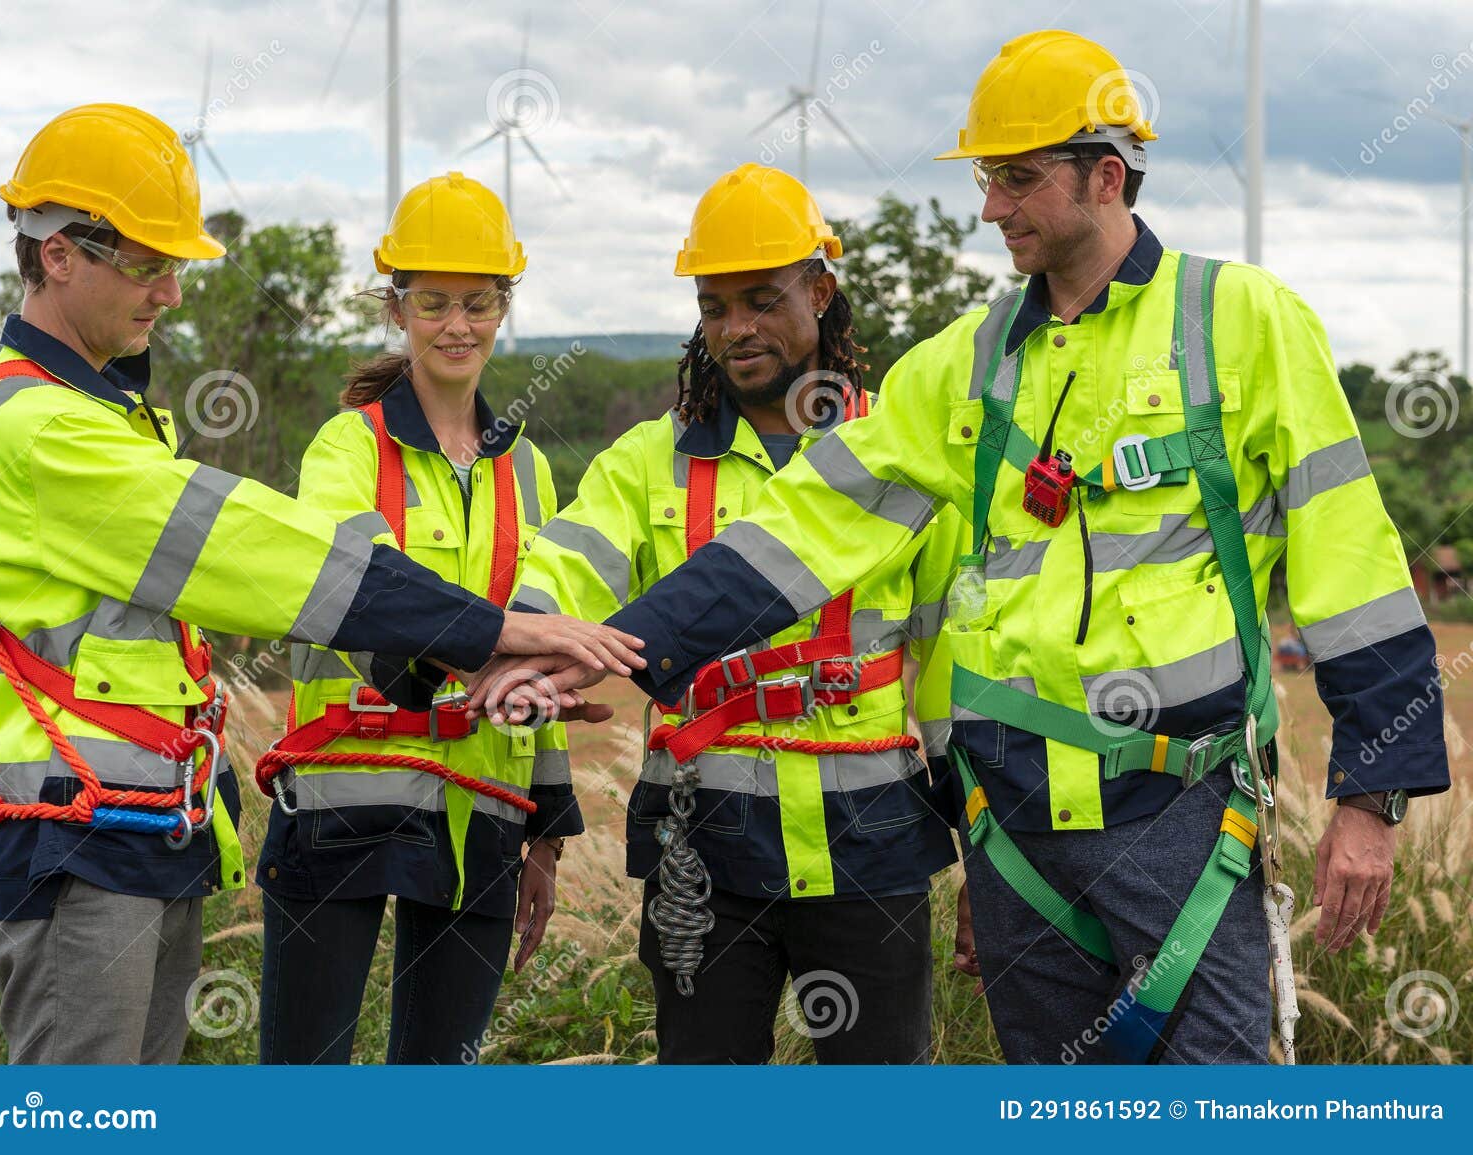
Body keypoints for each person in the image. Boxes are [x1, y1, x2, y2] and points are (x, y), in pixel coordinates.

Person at [477, 30, 1451, 1064]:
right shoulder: (963, 366)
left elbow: (1352, 562)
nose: (991, 208)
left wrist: (1369, 795)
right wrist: (603, 645)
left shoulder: (1240, 323)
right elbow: (799, 532)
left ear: (1104, 176)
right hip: (1014, 831)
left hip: (1184, 821)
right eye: (988, 180)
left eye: (1017, 180)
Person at [0, 106, 638, 1064]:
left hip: (148, 827)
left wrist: (544, 798)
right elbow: (263, 551)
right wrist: (493, 636)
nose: (174, 293)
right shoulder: (42, 427)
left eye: (479, 300)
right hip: (91, 834)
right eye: (152, 265)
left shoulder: (104, 413)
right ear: (61, 253)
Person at [512, 164, 963, 1064]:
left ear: (822, 290)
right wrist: (518, 640)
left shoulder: (903, 457)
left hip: (871, 850)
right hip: (703, 847)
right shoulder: (647, 462)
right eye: (715, 308)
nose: (736, 329)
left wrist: (983, 840)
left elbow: (954, 655)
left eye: (762, 300)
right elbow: (565, 563)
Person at [257, 173, 586, 1064]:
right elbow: (354, 593)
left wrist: (545, 827)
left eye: (479, 304)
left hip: (482, 807)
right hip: (341, 798)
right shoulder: (347, 446)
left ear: (504, 307)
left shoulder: (528, 473)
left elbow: (545, 652)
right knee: (305, 1083)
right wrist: (486, 662)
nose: (457, 326)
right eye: (434, 302)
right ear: (396, 308)